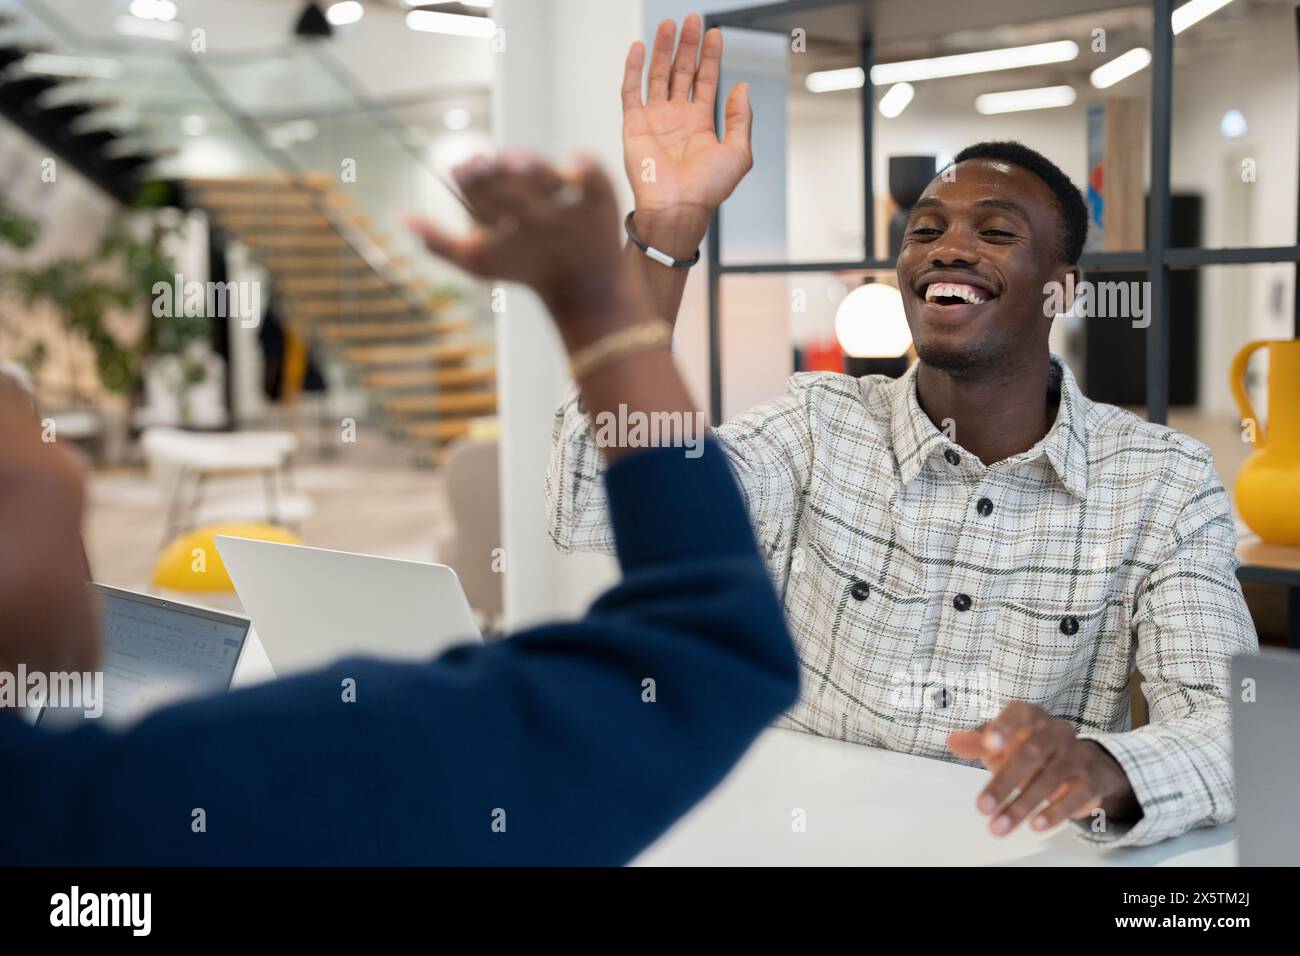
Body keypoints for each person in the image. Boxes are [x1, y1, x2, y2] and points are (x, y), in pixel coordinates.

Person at [545, 14, 1259, 847]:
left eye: (994, 232)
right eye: (925, 230)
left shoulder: (1162, 483)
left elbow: (1231, 724)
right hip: (791, 840)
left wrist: (1106, 766)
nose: (947, 247)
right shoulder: (816, 425)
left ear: (1061, 292)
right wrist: (665, 233)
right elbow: (593, 500)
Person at [0, 152, 798, 866]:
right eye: (26, 440)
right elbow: (709, 651)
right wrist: (597, 305)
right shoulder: (173, 804)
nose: (69, 472)